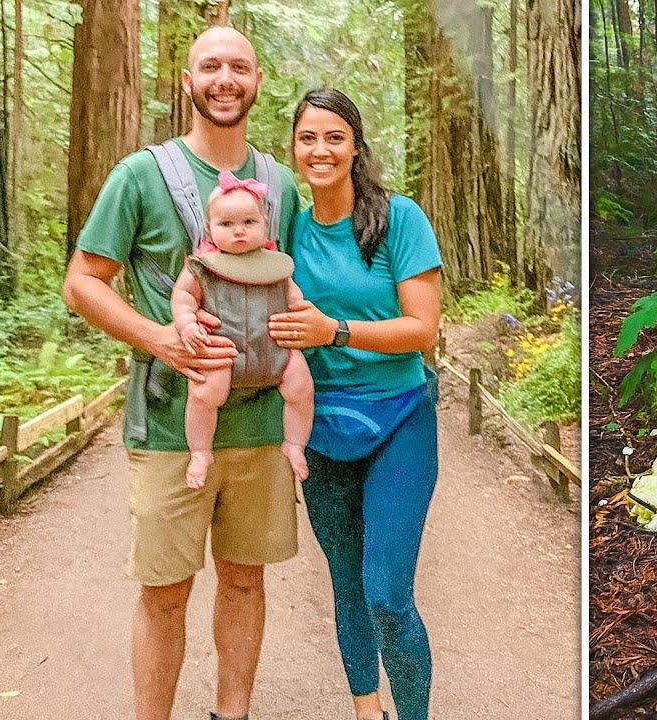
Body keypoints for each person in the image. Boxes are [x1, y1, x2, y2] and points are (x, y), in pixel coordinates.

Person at [62, 26, 302, 720]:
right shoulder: (140, 176)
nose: (226, 79)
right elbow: (83, 282)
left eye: (239, 67)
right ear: (189, 81)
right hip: (171, 424)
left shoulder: (281, 185)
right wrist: (160, 338)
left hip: (262, 425)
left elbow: (288, 283)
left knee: (246, 583)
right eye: (211, 66)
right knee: (165, 592)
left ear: (257, 82)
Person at [267, 88, 442, 720]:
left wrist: (334, 331)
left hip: (399, 417)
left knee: (387, 594)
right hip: (319, 427)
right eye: (308, 137)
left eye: (335, 137)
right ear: (294, 148)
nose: (321, 150)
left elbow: (423, 330)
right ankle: (368, 710)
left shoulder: (400, 219)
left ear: (356, 147)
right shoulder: (286, 227)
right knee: (346, 584)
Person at [172, 171, 313, 488]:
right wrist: (186, 322)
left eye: (249, 222)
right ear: (209, 229)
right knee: (204, 395)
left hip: (276, 350)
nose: (239, 231)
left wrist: (300, 312)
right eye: (226, 224)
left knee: (302, 389)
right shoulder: (203, 266)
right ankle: (200, 452)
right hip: (223, 352)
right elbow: (183, 297)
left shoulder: (275, 264)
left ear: (265, 224)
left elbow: (294, 296)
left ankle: (294, 444)